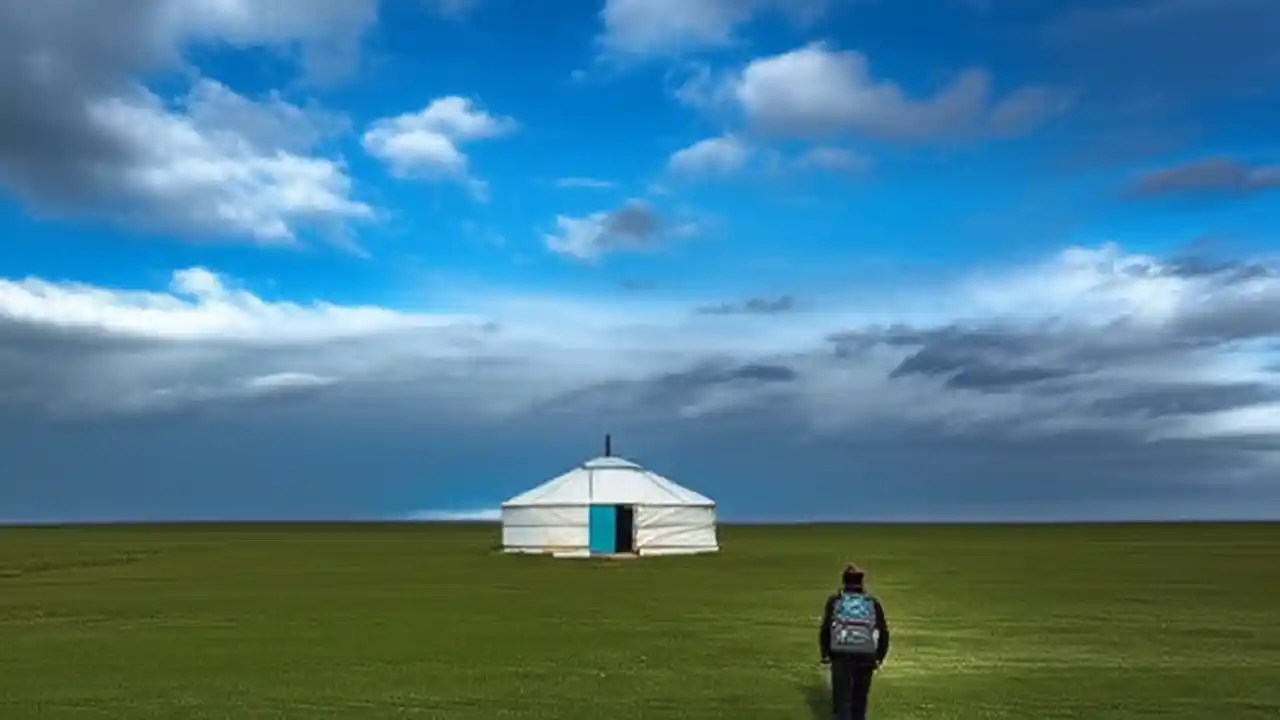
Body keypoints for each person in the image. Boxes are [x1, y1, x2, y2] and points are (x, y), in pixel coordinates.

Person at [820, 563, 890, 720]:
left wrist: (826, 653)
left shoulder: (836, 601)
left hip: (841, 654)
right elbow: (883, 631)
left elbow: (826, 629)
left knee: (842, 702)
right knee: (859, 701)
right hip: (866, 654)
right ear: (861, 582)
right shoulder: (872, 602)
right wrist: (879, 656)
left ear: (844, 581)